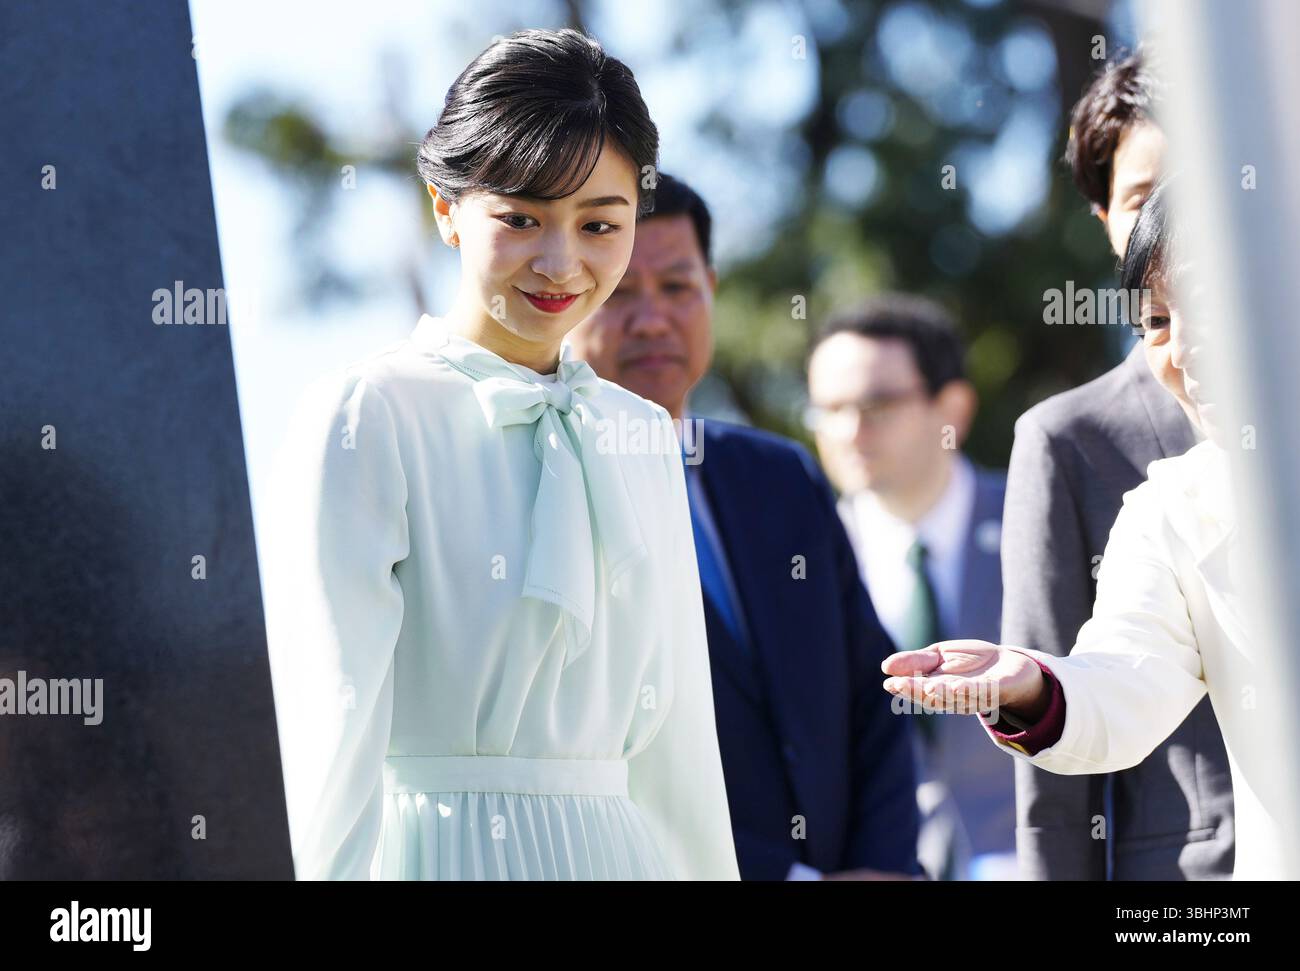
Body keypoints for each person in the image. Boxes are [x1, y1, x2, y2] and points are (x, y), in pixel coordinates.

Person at [261, 29, 739, 880]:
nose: (561, 262)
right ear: (445, 209)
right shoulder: (367, 413)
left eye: (600, 224)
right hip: (437, 857)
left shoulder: (642, 435)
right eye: (521, 219)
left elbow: (679, 753)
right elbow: (327, 737)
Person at [882, 180, 1281, 880]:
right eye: (1155, 322)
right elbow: (1125, 679)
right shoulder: (1175, 508)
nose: (1182, 352)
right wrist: (1031, 684)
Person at [565, 174, 921, 881]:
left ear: (712, 289)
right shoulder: (548, 499)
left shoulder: (781, 477)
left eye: (676, 287)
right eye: (620, 293)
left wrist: (881, 868)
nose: (652, 319)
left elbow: (874, 692)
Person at [1003, 49, 1233, 880]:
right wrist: (1026, 689)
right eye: (1145, 198)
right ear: (1104, 217)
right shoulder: (1072, 440)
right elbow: (1105, 687)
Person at [806, 296, 1015, 880]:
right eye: (829, 408)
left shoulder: (1039, 520)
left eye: (878, 404)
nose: (850, 430)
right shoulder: (801, 561)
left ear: (953, 410)